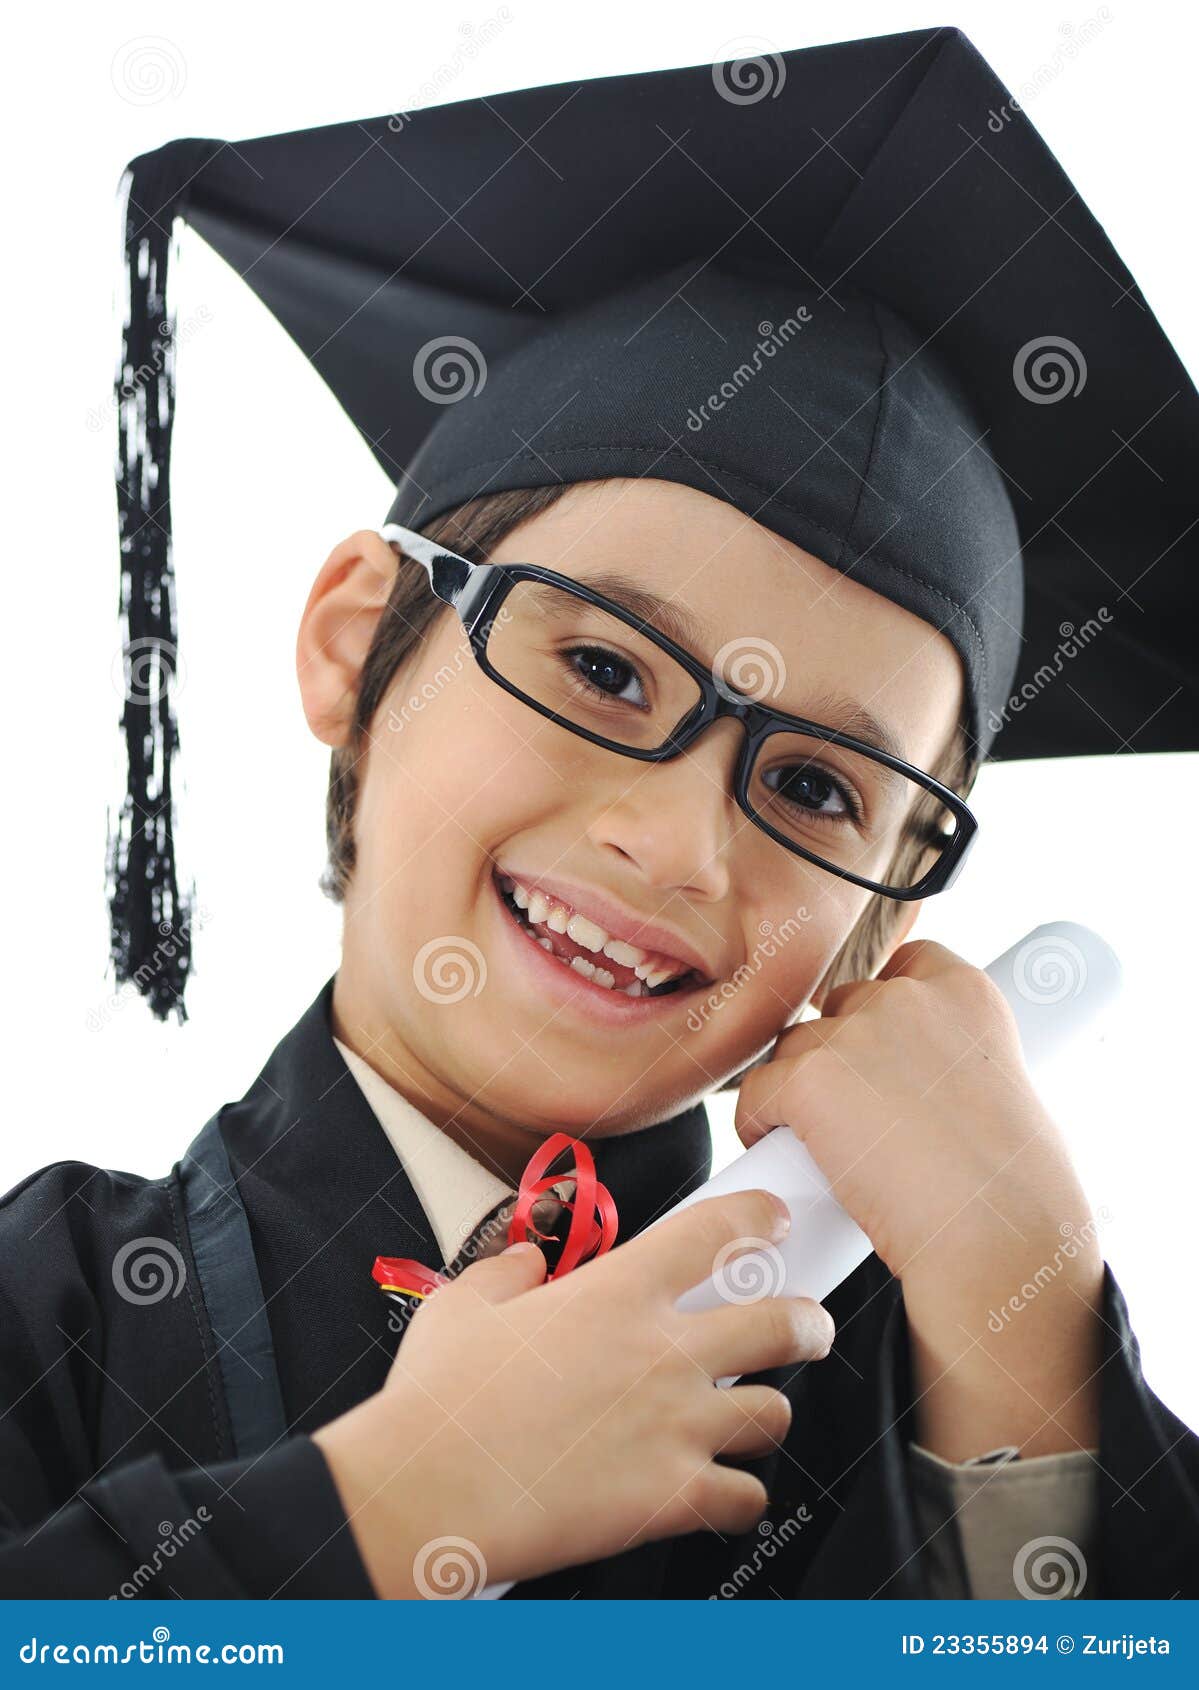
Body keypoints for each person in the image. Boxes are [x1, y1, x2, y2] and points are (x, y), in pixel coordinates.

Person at [2, 26, 1196, 1600]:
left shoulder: (923, 1406)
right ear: (361, 644)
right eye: (605, 668)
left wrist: (1019, 1307)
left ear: (885, 918)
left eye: (817, 787)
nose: (681, 845)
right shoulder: (53, 1310)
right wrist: (397, 1499)